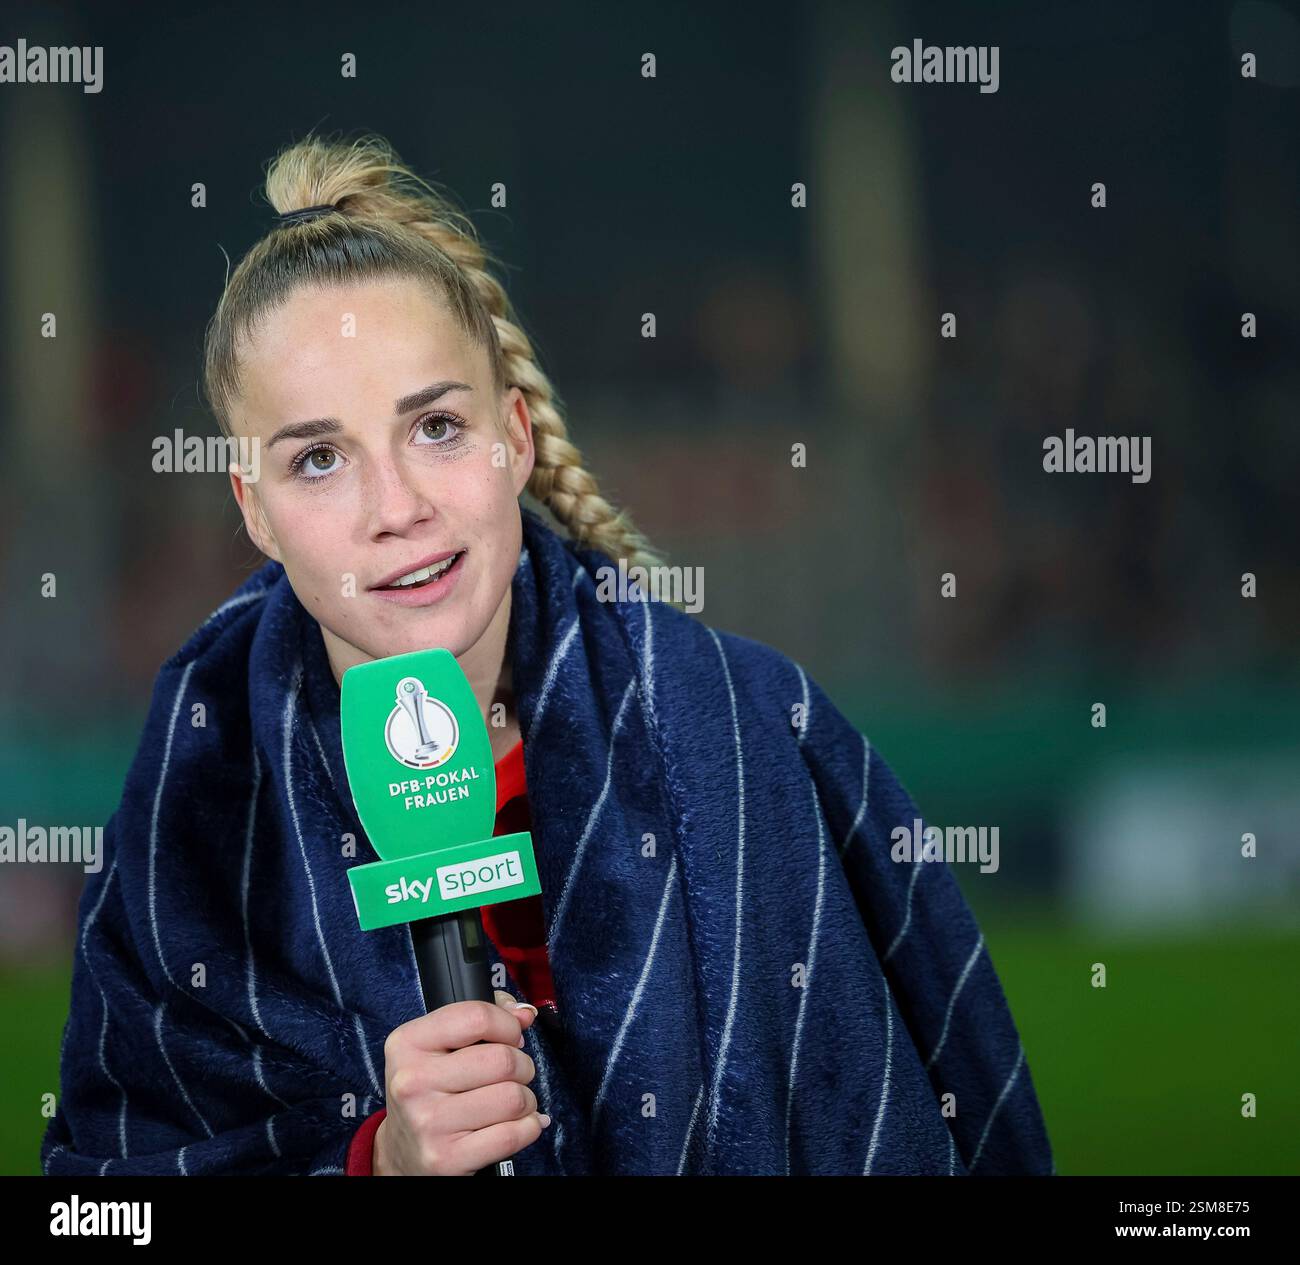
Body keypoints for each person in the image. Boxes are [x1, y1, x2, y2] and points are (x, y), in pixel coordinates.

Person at [41, 132, 1053, 1177]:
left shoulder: (744, 731)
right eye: (319, 458)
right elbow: (104, 1192)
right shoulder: (194, 809)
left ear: (514, 440)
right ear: (253, 509)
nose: (396, 509)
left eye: (435, 426)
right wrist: (375, 1162)